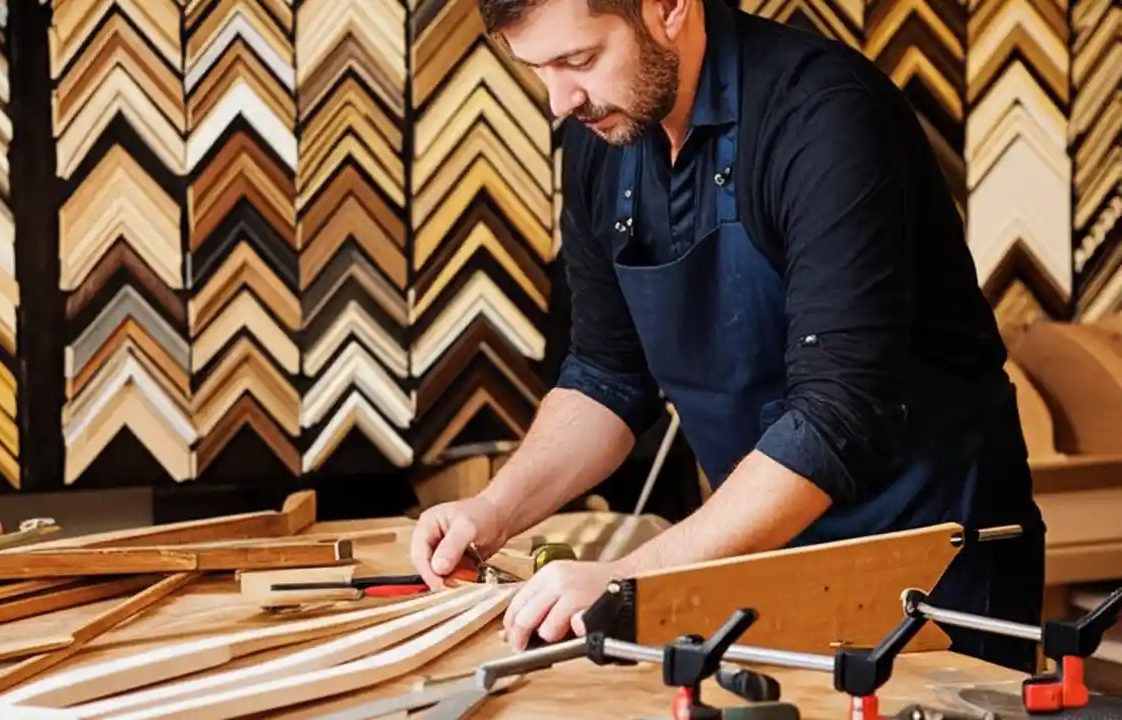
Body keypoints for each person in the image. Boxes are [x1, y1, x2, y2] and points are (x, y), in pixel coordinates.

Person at [410, 0, 1047, 672]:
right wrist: (494, 511)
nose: (560, 101)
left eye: (580, 60)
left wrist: (631, 578)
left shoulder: (825, 117)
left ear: (668, 9)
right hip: (758, 558)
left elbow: (838, 417)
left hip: (930, 564)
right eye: (537, 68)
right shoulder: (604, 142)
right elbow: (608, 379)